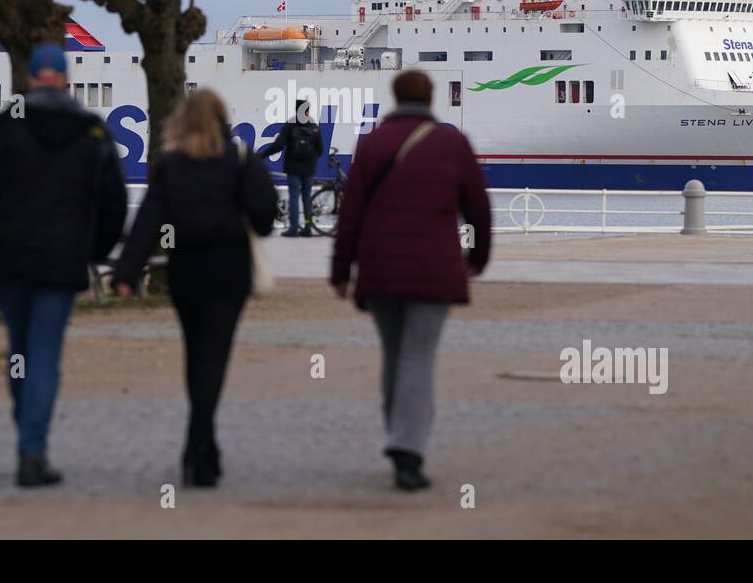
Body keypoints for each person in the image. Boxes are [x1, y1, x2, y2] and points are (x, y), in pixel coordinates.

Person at [0, 42, 128, 488]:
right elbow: (114, 200)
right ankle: (32, 451)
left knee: (19, 349)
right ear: (67, 80)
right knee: (44, 352)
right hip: (62, 259)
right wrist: (96, 250)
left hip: (9, 258)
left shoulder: (2, 127)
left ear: (31, 79)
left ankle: (28, 440)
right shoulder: (92, 131)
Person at [330, 70, 492, 491]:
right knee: (418, 358)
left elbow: (349, 215)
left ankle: (398, 438)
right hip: (433, 270)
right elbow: (478, 207)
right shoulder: (452, 143)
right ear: (432, 97)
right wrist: (478, 258)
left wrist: (340, 270)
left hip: (380, 269)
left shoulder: (371, 143)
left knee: (393, 354)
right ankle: (408, 450)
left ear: (395, 95)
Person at [112, 89, 277, 487]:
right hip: (229, 269)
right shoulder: (239, 160)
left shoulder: (170, 165)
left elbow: (149, 220)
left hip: (186, 270)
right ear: (222, 118)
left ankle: (201, 444)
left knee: (195, 352)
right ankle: (199, 446)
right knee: (215, 355)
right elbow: (266, 215)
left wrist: (126, 272)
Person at [261, 99, 323, 237]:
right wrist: (311, 159)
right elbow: (321, 149)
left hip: (293, 167)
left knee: (294, 197)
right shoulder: (314, 126)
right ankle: (307, 227)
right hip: (309, 168)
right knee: (307, 198)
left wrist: (262, 155)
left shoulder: (290, 125)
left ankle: (293, 228)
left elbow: (278, 145)